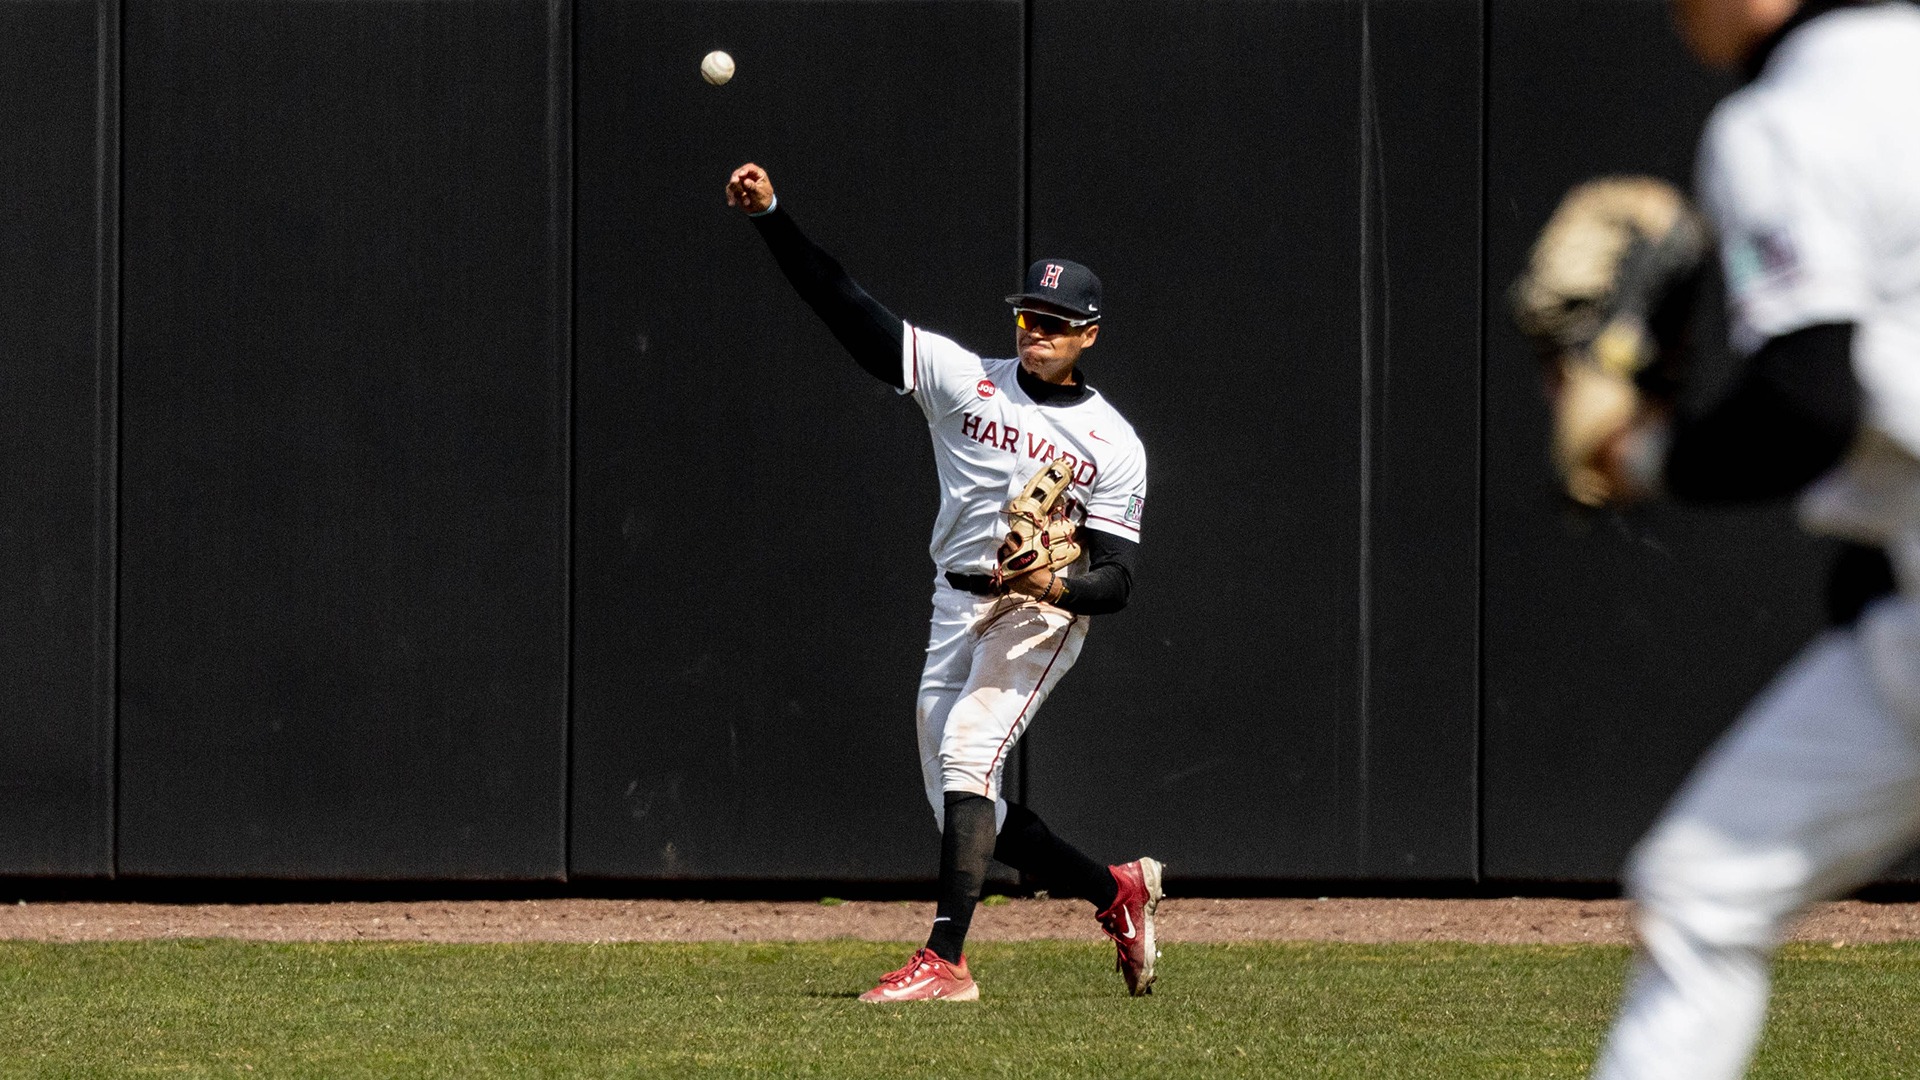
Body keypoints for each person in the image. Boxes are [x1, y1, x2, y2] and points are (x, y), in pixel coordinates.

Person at [1563, 1, 1920, 1076]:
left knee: (1702, 898)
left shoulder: (1788, 116)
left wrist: (1641, 459)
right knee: (1699, 889)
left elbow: (1805, 404)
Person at [724, 162, 1163, 1002]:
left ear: (1089, 335)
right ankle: (1118, 892)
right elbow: (844, 304)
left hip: (1036, 616)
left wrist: (1054, 585)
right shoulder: (968, 380)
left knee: (968, 751)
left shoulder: (1115, 443)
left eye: (1057, 322)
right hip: (954, 600)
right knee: (964, 803)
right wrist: (773, 215)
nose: (1037, 331)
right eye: (1030, 316)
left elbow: (1116, 580)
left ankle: (946, 963)